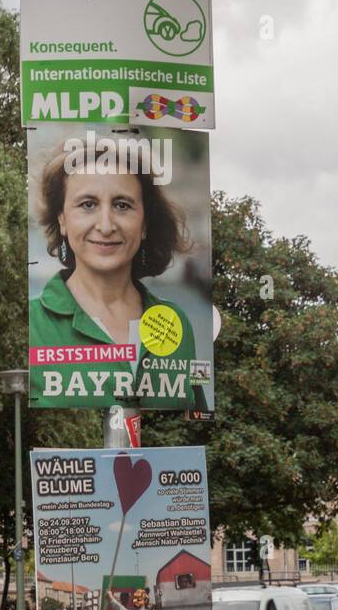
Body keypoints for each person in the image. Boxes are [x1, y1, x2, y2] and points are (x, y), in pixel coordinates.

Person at [28, 136, 207, 410]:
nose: (106, 225)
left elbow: (197, 424)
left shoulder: (176, 325)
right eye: (88, 204)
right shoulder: (31, 324)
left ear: (145, 223)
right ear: (62, 219)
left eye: (122, 205)